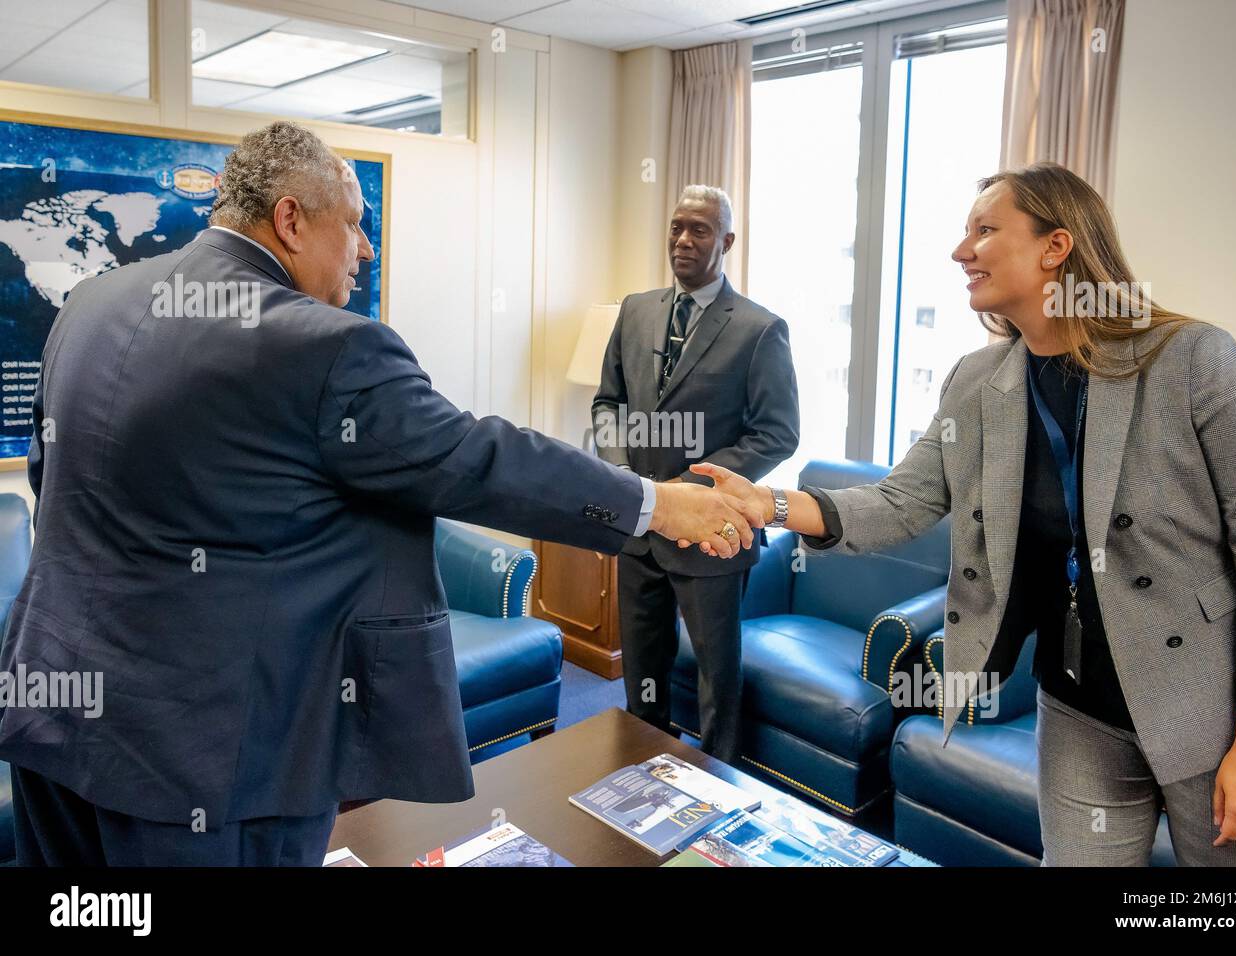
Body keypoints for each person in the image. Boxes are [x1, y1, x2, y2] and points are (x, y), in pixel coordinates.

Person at [0, 121, 762, 866]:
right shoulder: (323, 345)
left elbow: (54, 478)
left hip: (52, 712)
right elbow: (477, 457)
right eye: (356, 224)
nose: (365, 248)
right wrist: (657, 503)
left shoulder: (92, 303)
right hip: (205, 759)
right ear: (291, 221)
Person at [686, 162, 1236, 865]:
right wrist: (769, 503)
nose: (960, 252)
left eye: (984, 230)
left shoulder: (1191, 361)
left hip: (1211, 711)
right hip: (1078, 713)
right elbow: (902, 499)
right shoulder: (978, 384)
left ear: (1056, 247)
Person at [593, 185, 798, 764]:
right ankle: (641, 770)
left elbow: (777, 432)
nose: (683, 240)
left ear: (727, 241)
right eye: (677, 227)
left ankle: (721, 784)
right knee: (643, 671)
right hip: (637, 526)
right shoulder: (635, 309)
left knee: (716, 678)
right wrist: (623, 475)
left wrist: (691, 489)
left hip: (711, 533)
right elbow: (609, 403)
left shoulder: (760, 329)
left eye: (700, 230)